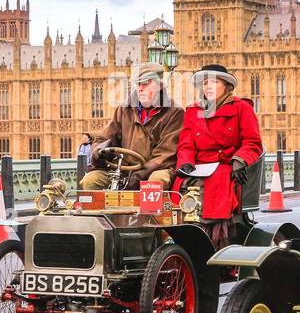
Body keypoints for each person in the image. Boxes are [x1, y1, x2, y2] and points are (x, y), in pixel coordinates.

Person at [175, 64, 263, 249]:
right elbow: (186, 144)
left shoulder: (241, 109)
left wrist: (240, 160)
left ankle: (214, 244)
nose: (208, 87)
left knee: (215, 188)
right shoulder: (193, 111)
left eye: (214, 82)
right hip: (199, 167)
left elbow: (252, 143)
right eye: (205, 83)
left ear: (226, 86)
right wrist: (185, 162)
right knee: (176, 188)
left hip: (225, 166)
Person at [80, 62, 184, 190]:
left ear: (161, 85)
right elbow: (104, 138)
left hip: (155, 170)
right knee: (91, 180)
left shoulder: (174, 113)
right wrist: (98, 151)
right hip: (124, 169)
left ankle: (149, 211)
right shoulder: (124, 110)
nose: (141, 88)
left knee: (156, 181)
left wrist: (139, 175)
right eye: (138, 84)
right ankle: (105, 211)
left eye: (146, 83)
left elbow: (165, 155)